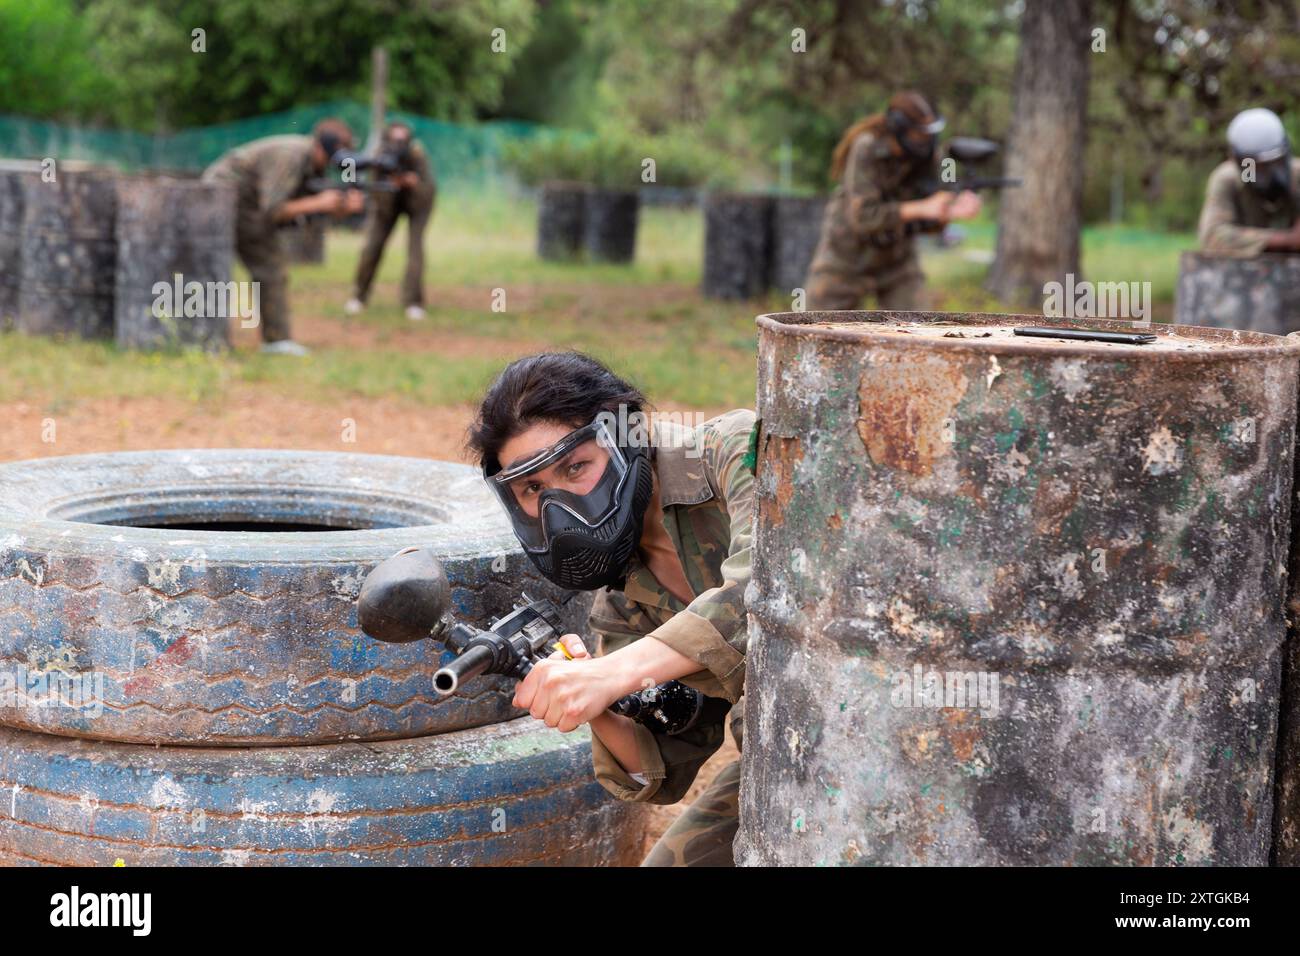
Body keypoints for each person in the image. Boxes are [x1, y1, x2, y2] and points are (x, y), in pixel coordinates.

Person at [466, 352, 754, 866]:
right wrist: (595, 701)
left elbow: (774, 588)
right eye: (533, 488)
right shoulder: (623, 599)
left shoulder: (732, 452)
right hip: (782, 755)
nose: (558, 504)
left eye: (575, 467)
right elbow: (661, 767)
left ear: (627, 439)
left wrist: (614, 673)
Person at [805, 90, 981, 311]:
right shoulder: (867, 147)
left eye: (929, 133)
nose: (926, 141)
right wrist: (922, 208)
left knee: (917, 331)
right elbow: (864, 217)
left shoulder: (928, 157)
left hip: (897, 260)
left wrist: (949, 212)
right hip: (847, 255)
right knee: (814, 328)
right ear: (899, 128)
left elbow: (928, 220)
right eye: (919, 134)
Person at [202, 118, 365, 355]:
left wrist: (340, 206)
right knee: (269, 266)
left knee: (268, 266)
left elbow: (305, 208)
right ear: (323, 147)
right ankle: (276, 341)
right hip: (227, 198)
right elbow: (274, 210)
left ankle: (273, 339)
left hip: (243, 202)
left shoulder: (311, 163)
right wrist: (319, 202)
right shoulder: (290, 156)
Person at [345, 121, 436, 321]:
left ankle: (413, 302)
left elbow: (428, 192)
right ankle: (359, 296)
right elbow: (376, 195)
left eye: (402, 140)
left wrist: (411, 184)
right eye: (394, 139)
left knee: (415, 250)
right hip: (387, 206)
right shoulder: (379, 157)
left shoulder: (417, 156)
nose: (398, 144)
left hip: (417, 205)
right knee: (372, 247)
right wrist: (391, 187)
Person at [1198, 107, 1300, 256]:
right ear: (1237, 160)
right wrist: (1287, 240)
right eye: (1258, 165)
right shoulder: (1228, 180)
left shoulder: (1296, 175)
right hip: (1242, 273)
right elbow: (1213, 237)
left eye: (1276, 162)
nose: (1271, 172)